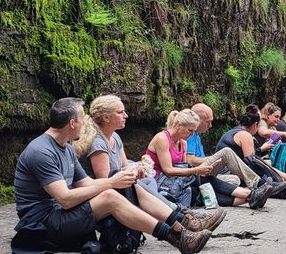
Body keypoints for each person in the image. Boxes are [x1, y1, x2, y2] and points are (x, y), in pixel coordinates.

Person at [11, 98, 209, 254]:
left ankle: (181, 223)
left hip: (60, 213)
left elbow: (86, 182)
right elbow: (65, 199)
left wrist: (120, 180)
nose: (86, 123)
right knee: (110, 195)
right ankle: (175, 237)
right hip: (42, 223)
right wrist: (111, 183)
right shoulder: (42, 151)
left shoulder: (66, 148)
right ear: (72, 123)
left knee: (123, 183)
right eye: (82, 118)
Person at [72, 95, 226, 234]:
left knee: (147, 181)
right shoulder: (98, 144)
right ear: (106, 117)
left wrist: (139, 167)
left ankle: (182, 219)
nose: (126, 115)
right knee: (141, 185)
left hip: (122, 186)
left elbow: (124, 167)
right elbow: (106, 180)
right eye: (120, 112)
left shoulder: (115, 137)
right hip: (101, 195)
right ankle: (182, 218)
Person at [146, 109, 274, 208]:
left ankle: (251, 198)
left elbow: (183, 169)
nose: (192, 134)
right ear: (178, 125)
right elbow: (168, 170)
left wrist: (199, 170)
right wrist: (196, 170)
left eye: (194, 131)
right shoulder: (162, 139)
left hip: (178, 182)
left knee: (204, 185)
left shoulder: (183, 143)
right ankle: (250, 194)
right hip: (160, 182)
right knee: (201, 179)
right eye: (190, 130)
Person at [217, 105, 286, 189]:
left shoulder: (238, 131)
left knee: (269, 162)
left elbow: (248, 158)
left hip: (232, 168)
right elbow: (251, 163)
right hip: (228, 171)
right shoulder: (245, 135)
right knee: (264, 164)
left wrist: (263, 149)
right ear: (256, 124)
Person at [185, 103, 262, 189]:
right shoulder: (190, 135)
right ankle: (257, 183)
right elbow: (189, 160)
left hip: (205, 172)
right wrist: (215, 158)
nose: (210, 126)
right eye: (208, 122)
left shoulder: (196, 135)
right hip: (197, 173)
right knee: (226, 152)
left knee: (234, 180)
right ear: (198, 120)